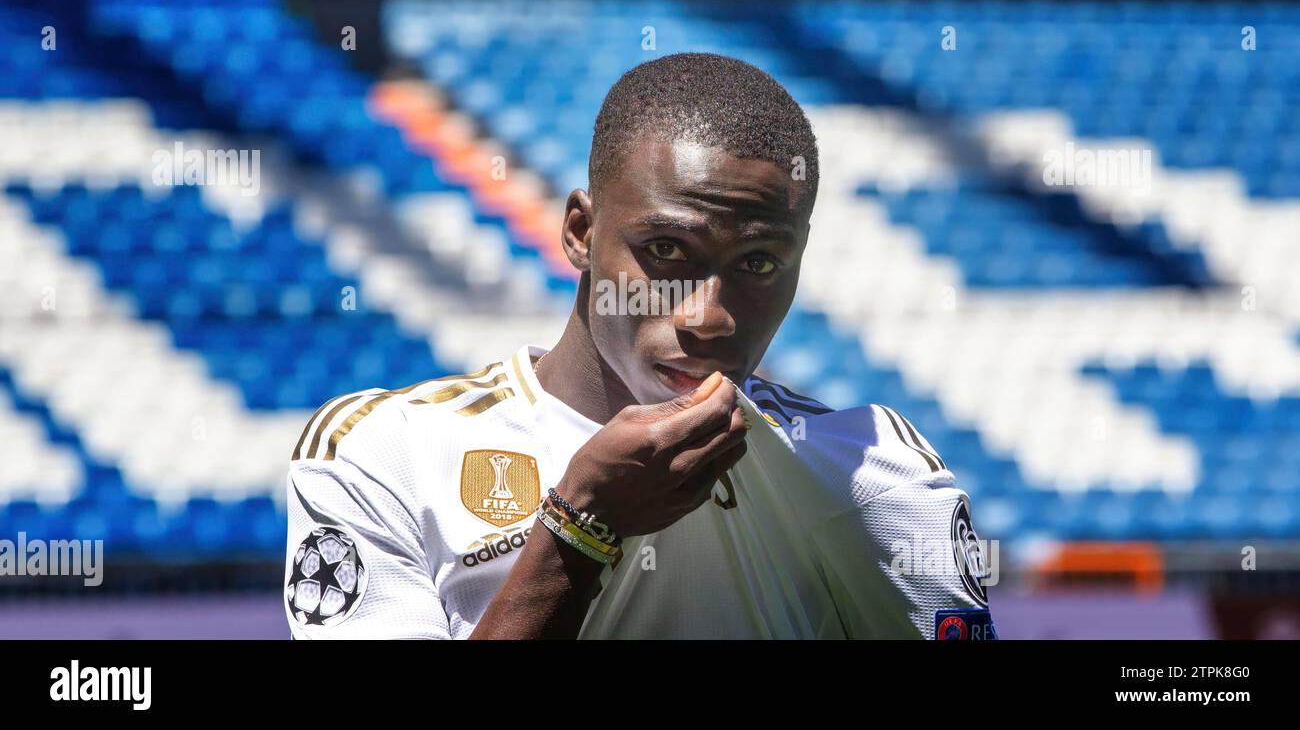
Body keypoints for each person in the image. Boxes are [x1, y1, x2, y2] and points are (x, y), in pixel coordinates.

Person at [283, 52, 995, 639]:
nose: (710, 317)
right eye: (666, 248)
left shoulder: (870, 470)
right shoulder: (381, 455)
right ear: (580, 233)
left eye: (760, 263)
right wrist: (581, 528)